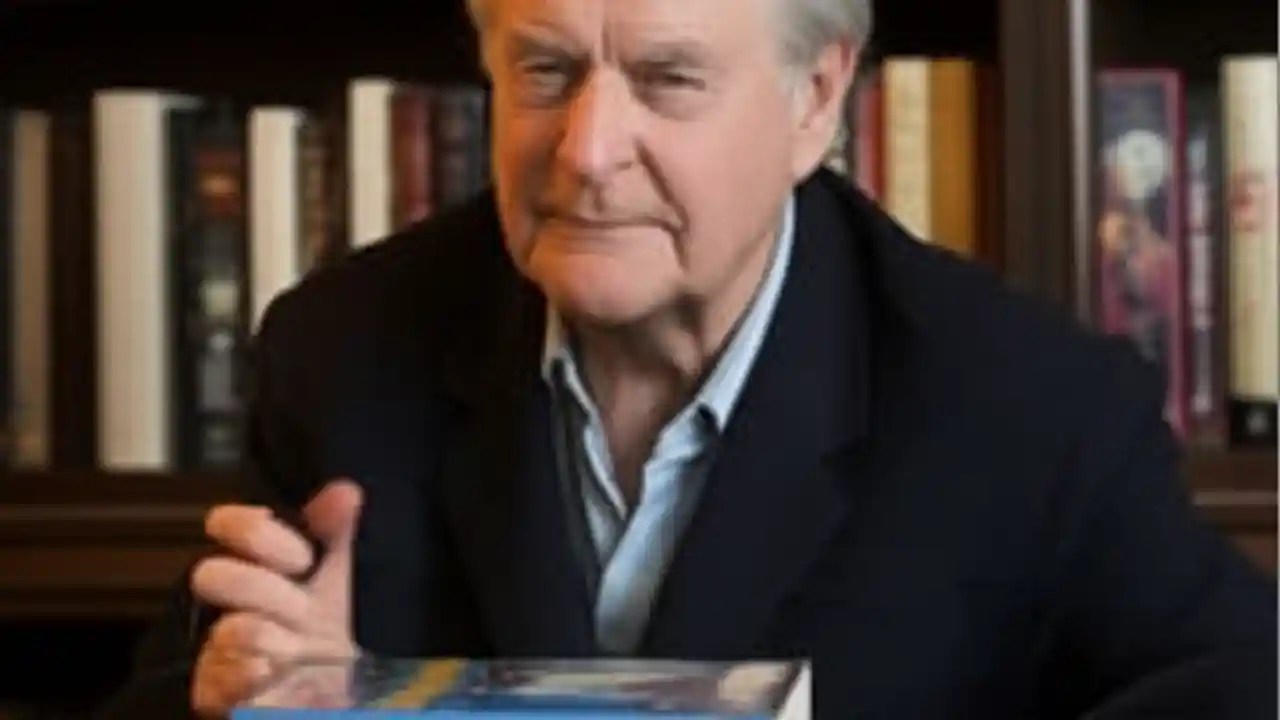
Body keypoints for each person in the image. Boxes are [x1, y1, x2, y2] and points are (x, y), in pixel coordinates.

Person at [100, 0, 1277, 717]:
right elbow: (173, 697)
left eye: (666, 79)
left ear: (815, 101)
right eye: (545, 72)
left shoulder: (1025, 405)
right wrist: (247, 703)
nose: (588, 149)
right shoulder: (344, 347)